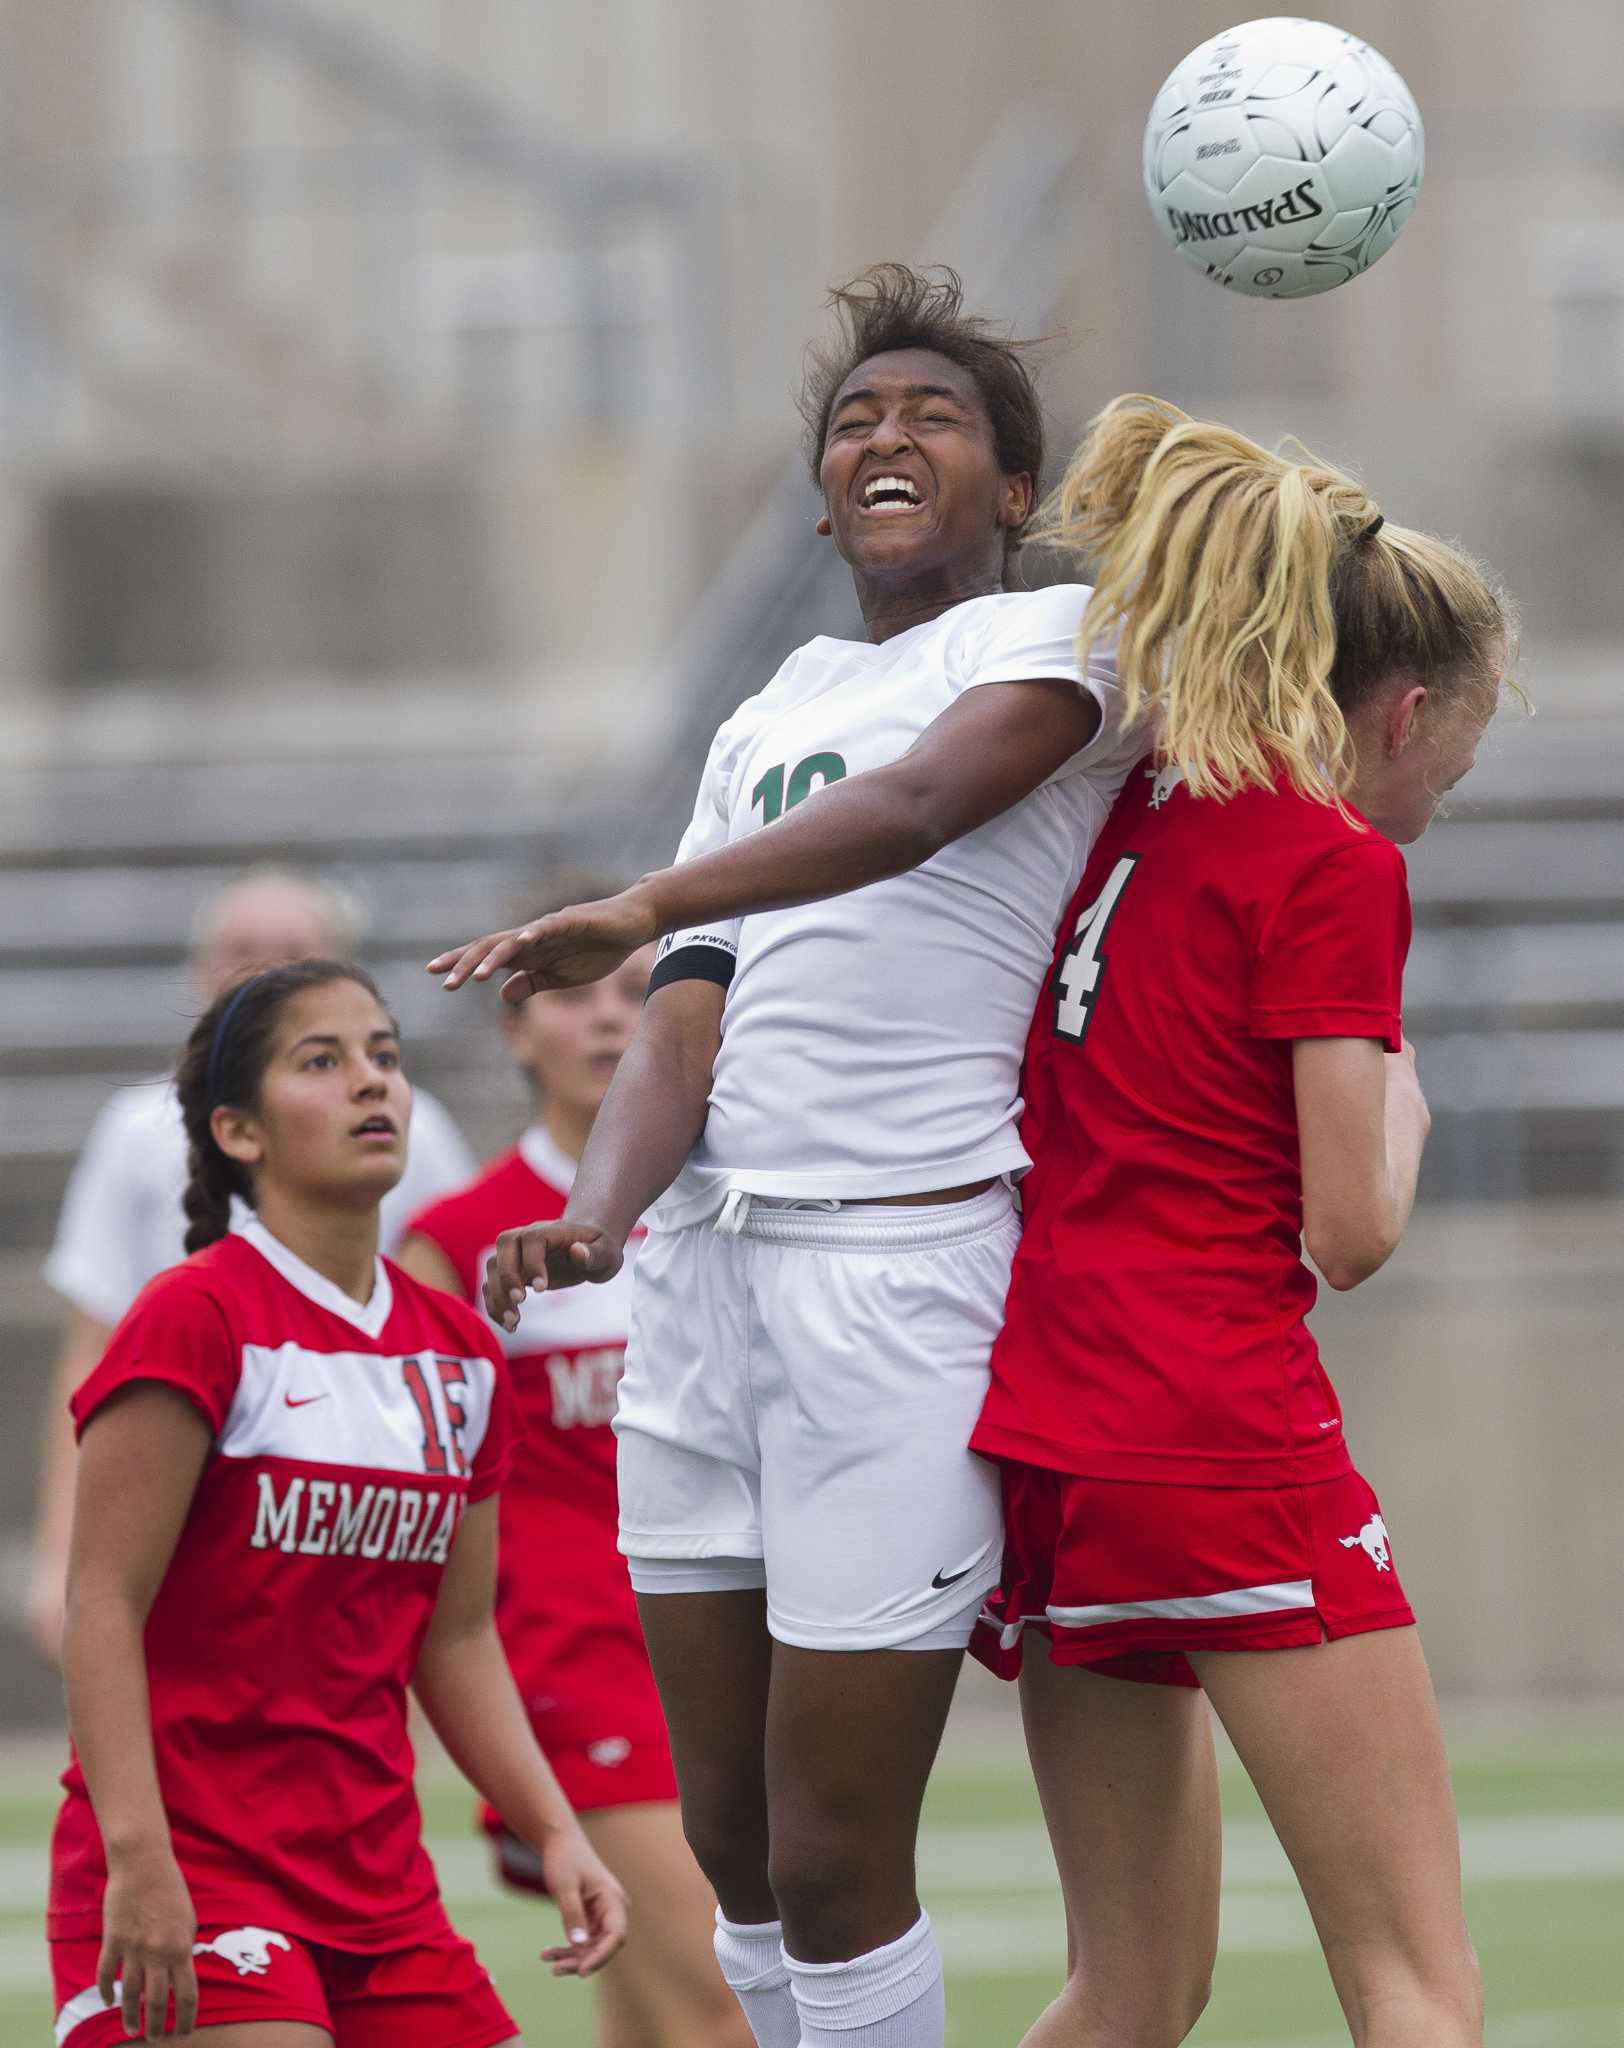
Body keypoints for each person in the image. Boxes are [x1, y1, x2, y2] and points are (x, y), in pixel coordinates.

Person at [441, 396, 1514, 2048]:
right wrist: (1405, 1091)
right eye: (1469, 735)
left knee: (1125, 1986)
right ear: (1410, 704)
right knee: (1411, 1982)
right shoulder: (1314, 854)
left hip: (1055, 1438)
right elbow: (1350, 1224)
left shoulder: (1126, 811)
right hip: (1222, 1424)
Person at [431, 269, 1222, 2048]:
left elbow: (921, 807)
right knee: (736, 1851)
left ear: (1012, 493)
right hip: (705, 1283)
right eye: (855, 420)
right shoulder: (774, 696)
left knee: (840, 1840)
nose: (885, 435)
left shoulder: (1059, 641)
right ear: (818, 494)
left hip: (896, 1275)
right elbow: (688, 1012)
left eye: (934, 415)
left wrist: (641, 894)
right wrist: (593, 1212)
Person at [49, 957, 626, 2048]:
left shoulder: (458, 1349)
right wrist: (138, 1857)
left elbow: (455, 1640)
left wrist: (555, 1828)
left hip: (376, 1879)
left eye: (386, 1057)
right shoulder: (197, 1319)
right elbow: (102, 1604)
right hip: (194, 1863)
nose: (373, 1083)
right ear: (239, 1131)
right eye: (323, 1061)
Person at [398, 879, 753, 2048]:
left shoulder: (729, 1198)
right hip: (571, 1648)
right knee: (724, 1998)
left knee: (651, 2012)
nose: (610, 1018)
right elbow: (422, 1485)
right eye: (578, 994)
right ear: (517, 1025)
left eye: (641, 990)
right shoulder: (456, 1238)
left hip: (732, 1622)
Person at [28, 864, 477, 1663]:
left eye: (294, 949)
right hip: (183, 1487)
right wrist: (59, 1548)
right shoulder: (136, 1134)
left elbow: (446, 1336)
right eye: (241, 948)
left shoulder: (418, 1127)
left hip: (362, 1497)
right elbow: (92, 1345)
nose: (265, 967)